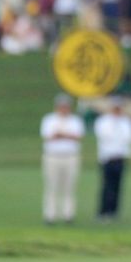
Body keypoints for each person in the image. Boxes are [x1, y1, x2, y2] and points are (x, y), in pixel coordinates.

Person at [39, 94, 83, 224]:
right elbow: (49, 136)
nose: (64, 108)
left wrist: (61, 134)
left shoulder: (75, 121)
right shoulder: (49, 120)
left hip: (70, 157)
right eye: (62, 106)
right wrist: (65, 135)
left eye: (66, 106)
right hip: (53, 156)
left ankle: (68, 214)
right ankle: (50, 215)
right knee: (52, 186)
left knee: (69, 187)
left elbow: (77, 136)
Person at [93, 99, 131, 221]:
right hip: (107, 157)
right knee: (107, 186)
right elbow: (105, 136)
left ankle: (114, 211)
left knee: (118, 186)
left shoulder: (126, 122)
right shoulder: (103, 121)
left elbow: (129, 138)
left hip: (121, 157)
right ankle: (103, 211)